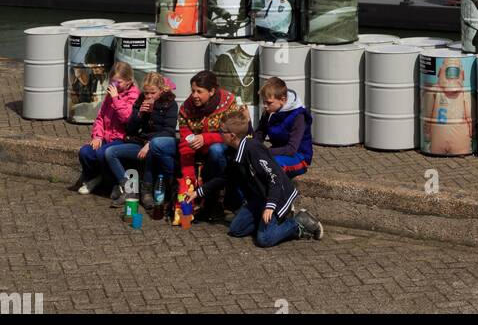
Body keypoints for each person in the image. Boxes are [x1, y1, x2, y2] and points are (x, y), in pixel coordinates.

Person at [215, 110, 323, 247]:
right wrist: (197, 193)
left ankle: (298, 222)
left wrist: (270, 205)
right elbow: (223, 177)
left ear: (231, 136)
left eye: (221, 130)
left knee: (264, 239)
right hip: (260, 197)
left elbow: (275, 177)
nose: (218, 133)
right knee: (236, 229)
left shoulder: (253, 149)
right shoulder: (235, 150)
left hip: (277, 197)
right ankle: (270, 224)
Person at [99, 72, 179, 210]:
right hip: (139, 141)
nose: (148, 96)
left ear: (161, 90)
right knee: (110, 152)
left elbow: (169, 130)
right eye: (146, 93)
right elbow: (130, 129)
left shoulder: (170, 104)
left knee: (152, 151)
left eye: (152, 93)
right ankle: (129, 190)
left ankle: (146, 191)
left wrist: (150, 143)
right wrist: (139, 115)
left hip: (156, 144)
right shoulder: (141, 100)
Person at [75, 61, 140, 203]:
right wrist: (97, 135)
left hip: (121, 137)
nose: (115, 85)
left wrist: (116, 98)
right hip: (106, 136)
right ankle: (92, 177)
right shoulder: (110, 95)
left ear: (129, 82)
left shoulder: (134, 96)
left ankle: (110, 182)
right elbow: (100, 117)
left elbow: (127, 118)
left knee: (102, 153)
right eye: (112, 82)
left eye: (119, 82)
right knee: (85, 152)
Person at [177, 70, 238, 216]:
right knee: (160, 145)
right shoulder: (186, 108)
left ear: (211, 91)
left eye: (199, 91)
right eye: (192, 91)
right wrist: (188, 180)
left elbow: (234, 134)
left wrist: (206, 138)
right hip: (196, 151)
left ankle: (218, 197)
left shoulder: (229, 101)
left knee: (216, 150)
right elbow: (186, 143)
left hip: (225, 148)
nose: (194, 96)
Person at [253, 77, 314, 177]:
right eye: (263, 102)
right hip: (278, 152)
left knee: (270, 165)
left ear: (283, 99)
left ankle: (282, 192)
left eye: (268, 102)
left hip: (299, 157)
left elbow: (291, 149)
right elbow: (260, 133)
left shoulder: (298, 116)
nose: (265, 106)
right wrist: (252, 146)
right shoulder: (269, 111)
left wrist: (266, 151)